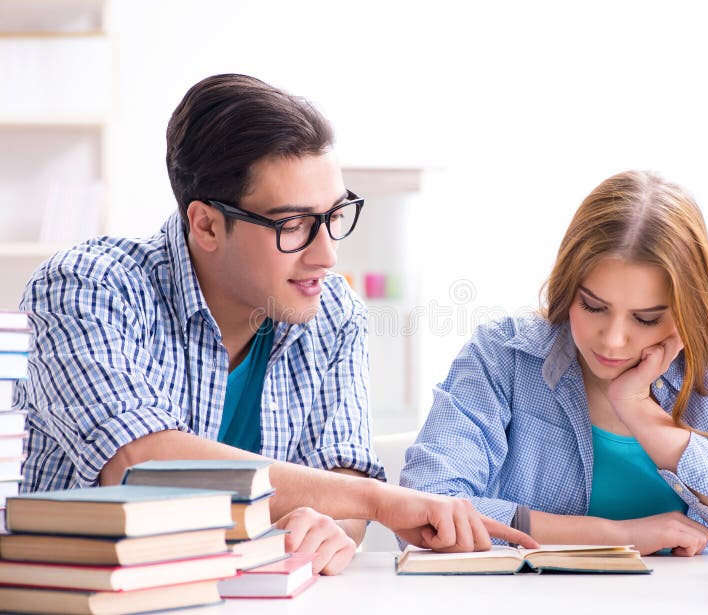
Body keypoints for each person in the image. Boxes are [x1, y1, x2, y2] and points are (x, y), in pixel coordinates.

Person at [16, 73, 535, 575]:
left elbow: (343, 481)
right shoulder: (85, 288)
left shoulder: (333, 313)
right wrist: (377, 501)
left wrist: (329, 526)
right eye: (293, 225)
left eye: (335, 214)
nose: (327, 255)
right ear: (207, 224)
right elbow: (140, 460)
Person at [400, 170, 708, 555]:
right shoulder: (504, 355)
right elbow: (423, 510)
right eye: (593, 306)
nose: (614, 340)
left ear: (690, 310)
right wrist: (613, 536)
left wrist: (644, 416)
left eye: (646, 318)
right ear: (568, 287)